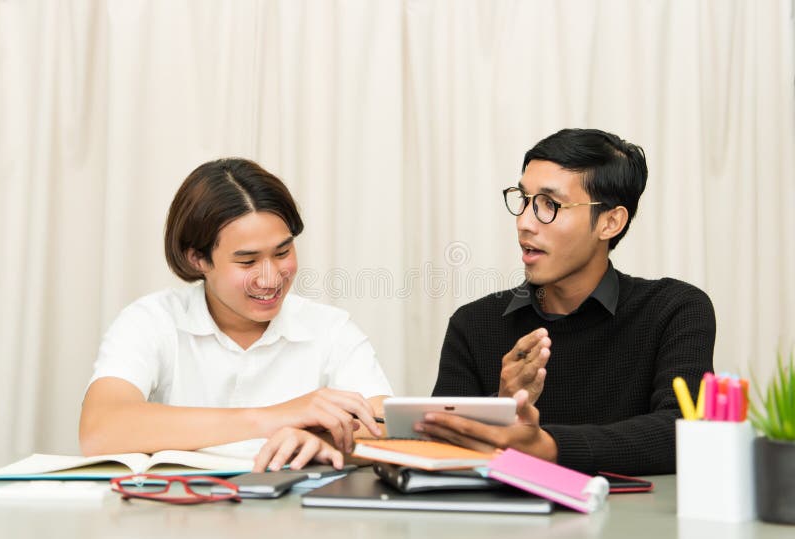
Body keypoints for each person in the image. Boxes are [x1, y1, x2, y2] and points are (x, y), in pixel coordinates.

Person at [425, 129, 715, 475]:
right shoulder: (474, 324)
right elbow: (439, 451)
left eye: (550, 204)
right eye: (523, 199)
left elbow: (682, 431)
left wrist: (549, 447)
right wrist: (501, 406)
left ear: (610, 222)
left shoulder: (674, 310)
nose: (524, 223)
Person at [79, 158, 392, 472]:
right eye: (247, 262)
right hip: (182, 515)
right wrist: (271, 418)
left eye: (282, 253)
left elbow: (390, 429)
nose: (270, 279)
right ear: (197, 259)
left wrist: (323, 442)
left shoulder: (331, 329)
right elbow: (100, 429)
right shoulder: (151, 320)